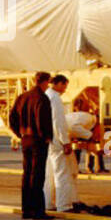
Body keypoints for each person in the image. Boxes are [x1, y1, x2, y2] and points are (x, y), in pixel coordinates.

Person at [8, 71, 53, 220]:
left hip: (26, 139)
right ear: (45, 82)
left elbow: (12, 117)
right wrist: (46, 136)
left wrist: (19, 133)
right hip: (38, 140)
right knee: (38, 175)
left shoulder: (22, 97)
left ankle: (26, 210)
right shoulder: (42, 98)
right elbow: (43, 120)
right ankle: (38, 211)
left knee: (27, 174)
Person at [43, 75, 80, 212]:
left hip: (47, 141)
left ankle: (47, 203)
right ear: (58, 84)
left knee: (49, 175)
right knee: (62, 173)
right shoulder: (55, 98)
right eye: (64, 86)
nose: (65, 89)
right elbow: (59, 122)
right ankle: (64, 205)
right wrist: (65, 142)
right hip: (57, 141)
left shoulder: (46, 95)